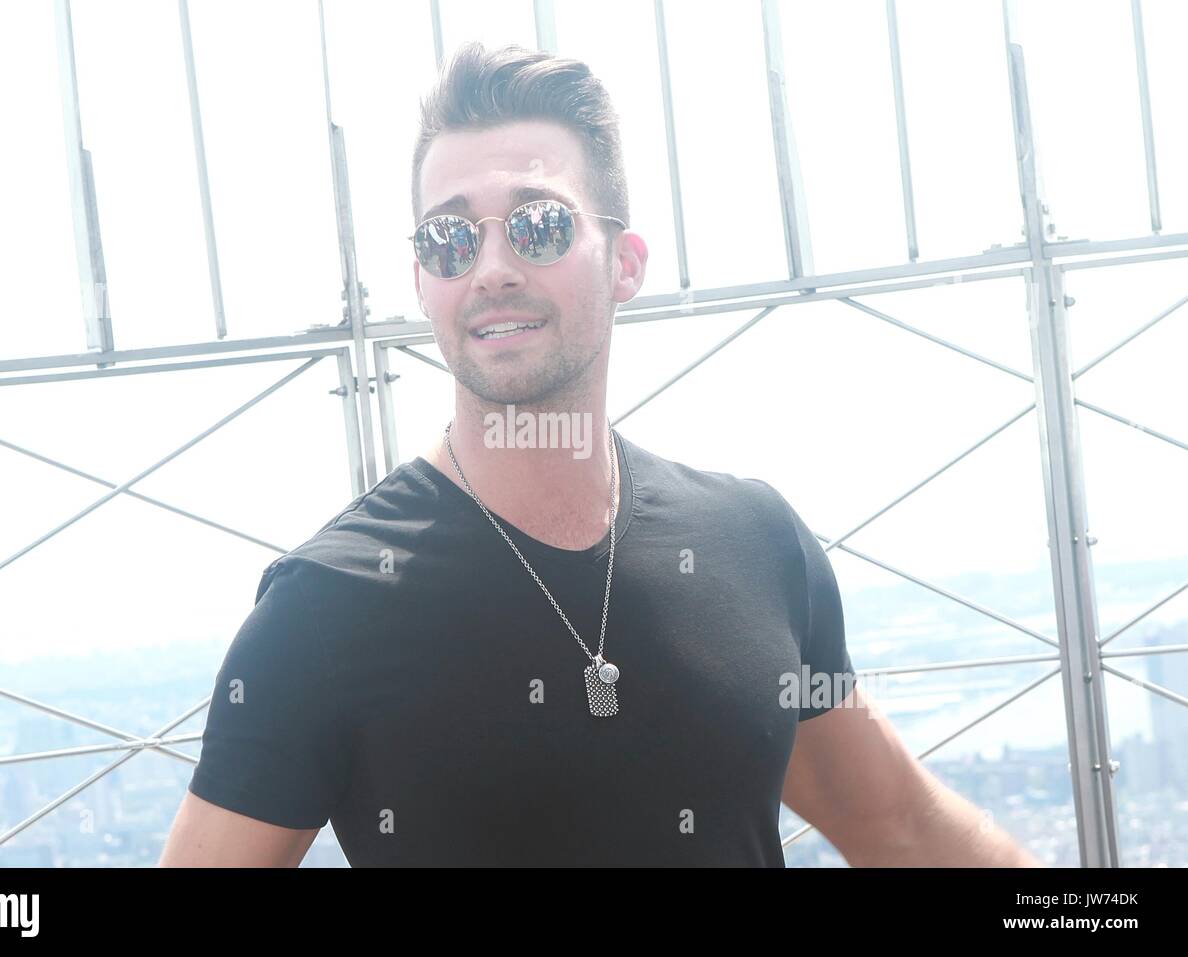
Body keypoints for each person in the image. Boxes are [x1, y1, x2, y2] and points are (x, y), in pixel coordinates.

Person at [159, 42, 1042, 868]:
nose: (490, 267)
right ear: (424, 280)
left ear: (624, 262)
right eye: (449, 238)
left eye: (538, 226)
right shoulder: (326, 604)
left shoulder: (754, 542)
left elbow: (902, 825)